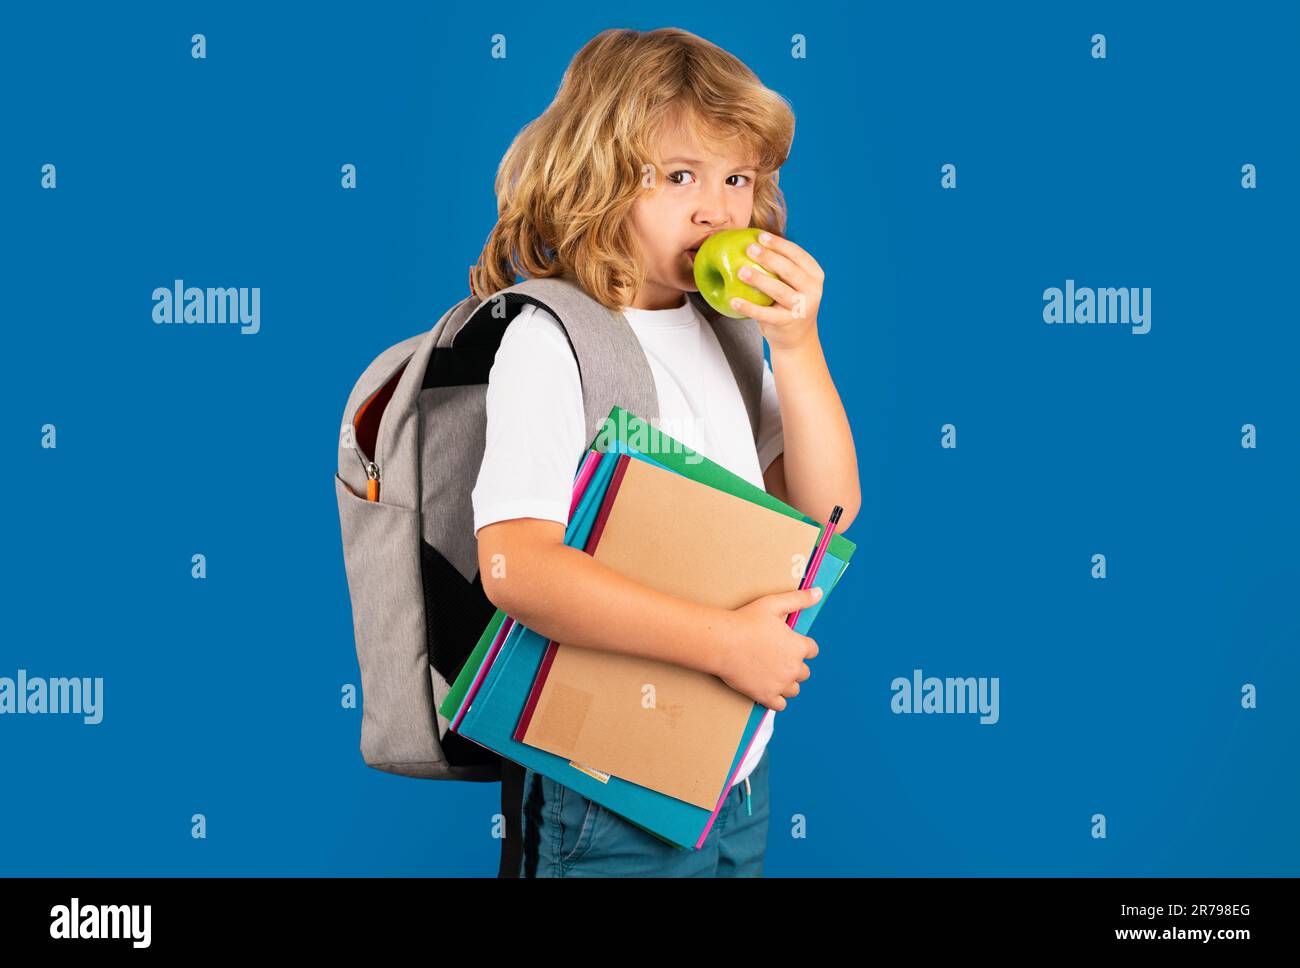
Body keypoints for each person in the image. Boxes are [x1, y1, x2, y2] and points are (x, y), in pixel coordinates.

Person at [469, 27, 860, 877]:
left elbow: (821, 515)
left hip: (730, 774)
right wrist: (725, 645)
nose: (718, 209)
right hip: (604, 789)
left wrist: (795, 346)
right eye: (680, 176)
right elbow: (518, 569)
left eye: (738, 179)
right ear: (597, 180)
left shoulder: (724, 332)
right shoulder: (551, 337)